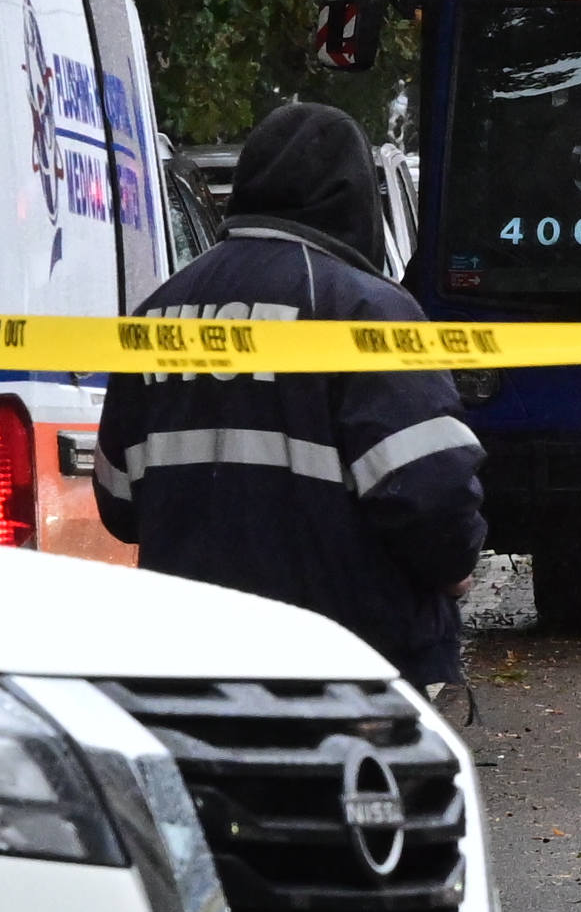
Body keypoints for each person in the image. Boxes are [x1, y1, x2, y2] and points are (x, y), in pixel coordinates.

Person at [97, 102, 488, 713]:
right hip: (343, 669)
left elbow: (119, 503)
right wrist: (455, 562)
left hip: (186, 669)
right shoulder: (362, 309)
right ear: (354, 197)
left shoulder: (159, 313)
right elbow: (431, 489)